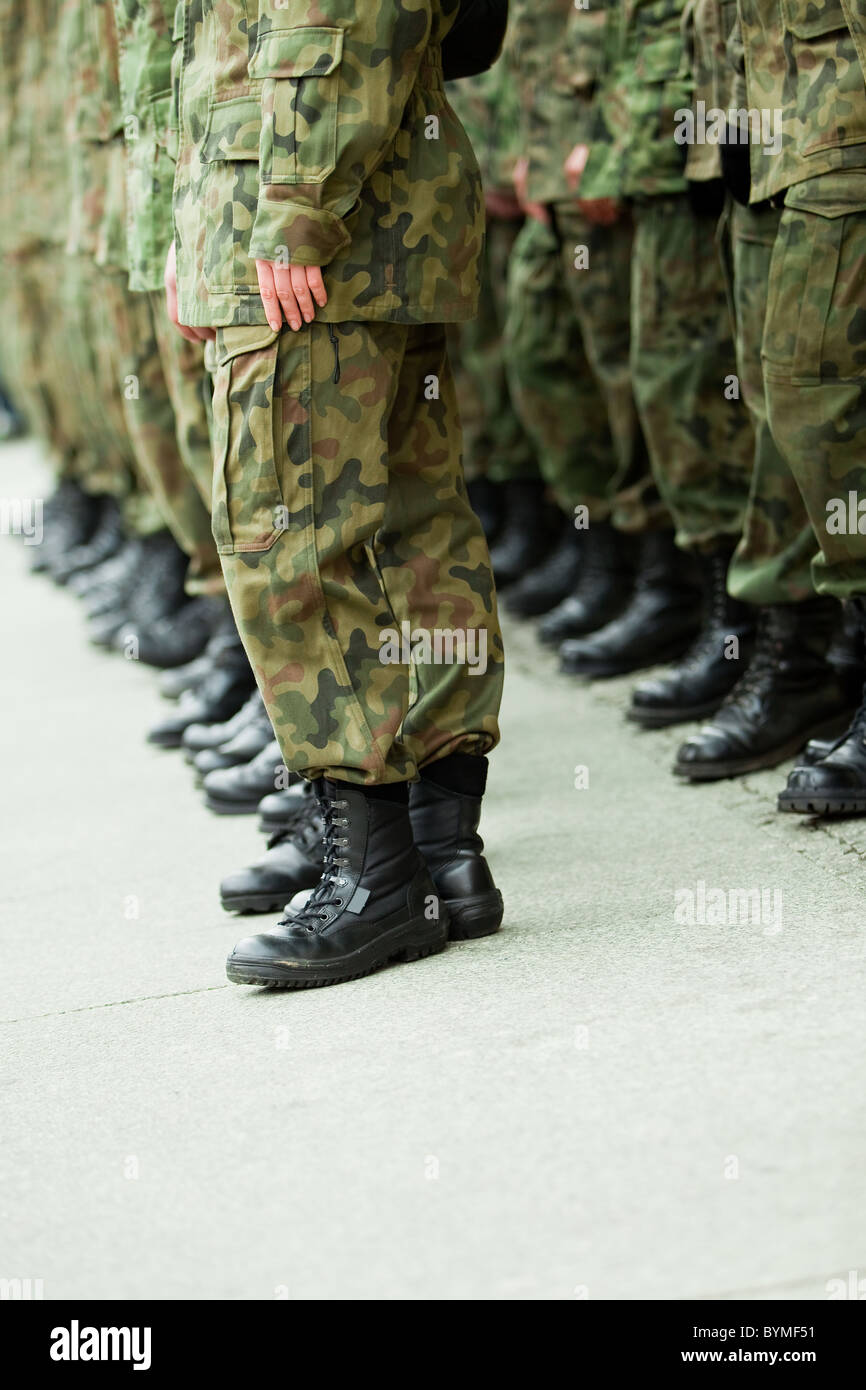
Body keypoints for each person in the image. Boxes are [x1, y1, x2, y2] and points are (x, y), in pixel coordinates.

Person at [169, 0, 506, 987]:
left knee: (286, 531)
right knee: (412, 526)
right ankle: (438, 847)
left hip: (321, 208)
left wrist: (291, 208)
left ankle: (374, 875)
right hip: (378, 201)